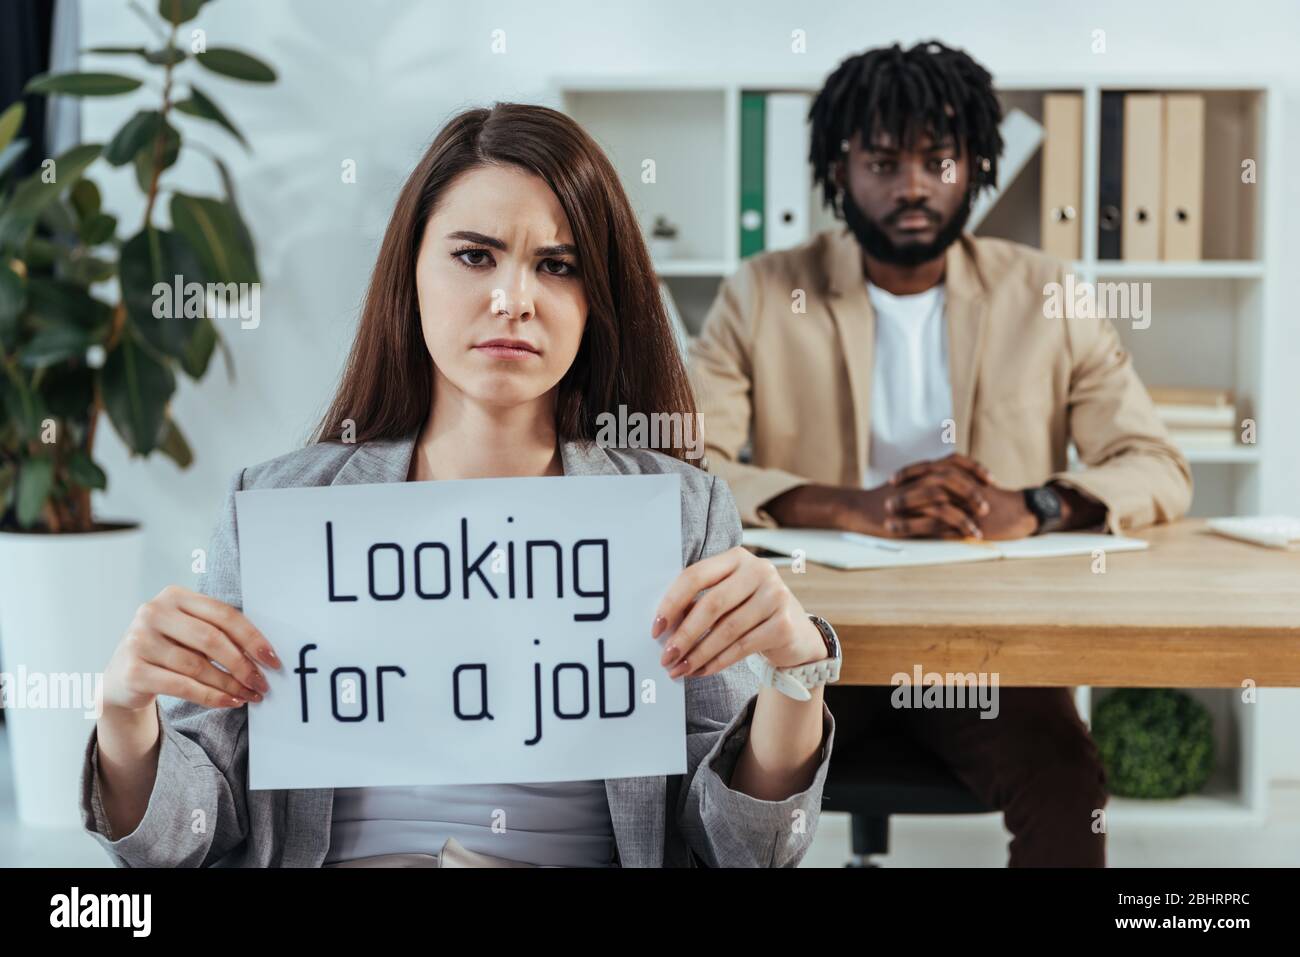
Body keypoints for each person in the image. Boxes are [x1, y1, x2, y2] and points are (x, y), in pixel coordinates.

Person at [79, 103, 840, 868]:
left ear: (593, 301)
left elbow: (744, 853)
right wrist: (125, 713)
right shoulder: (278, 511)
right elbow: (181, 842)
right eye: (475, 256)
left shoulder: (680, 517)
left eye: (558, 264)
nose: (514, 298)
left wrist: (796, 673)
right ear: (411, 272)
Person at [688, 41, 1192, 866]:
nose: (914, 186)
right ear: (838, 170)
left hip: (982, 645)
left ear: (977, 164)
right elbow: (689, 466)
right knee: (715, 784)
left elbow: (1155, 462)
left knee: (1067, 779)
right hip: (804, 641)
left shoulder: (1046, 291)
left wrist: (1032, 507)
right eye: (883, 162)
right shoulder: (764, 288)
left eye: (939, 160)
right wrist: (852, 505)